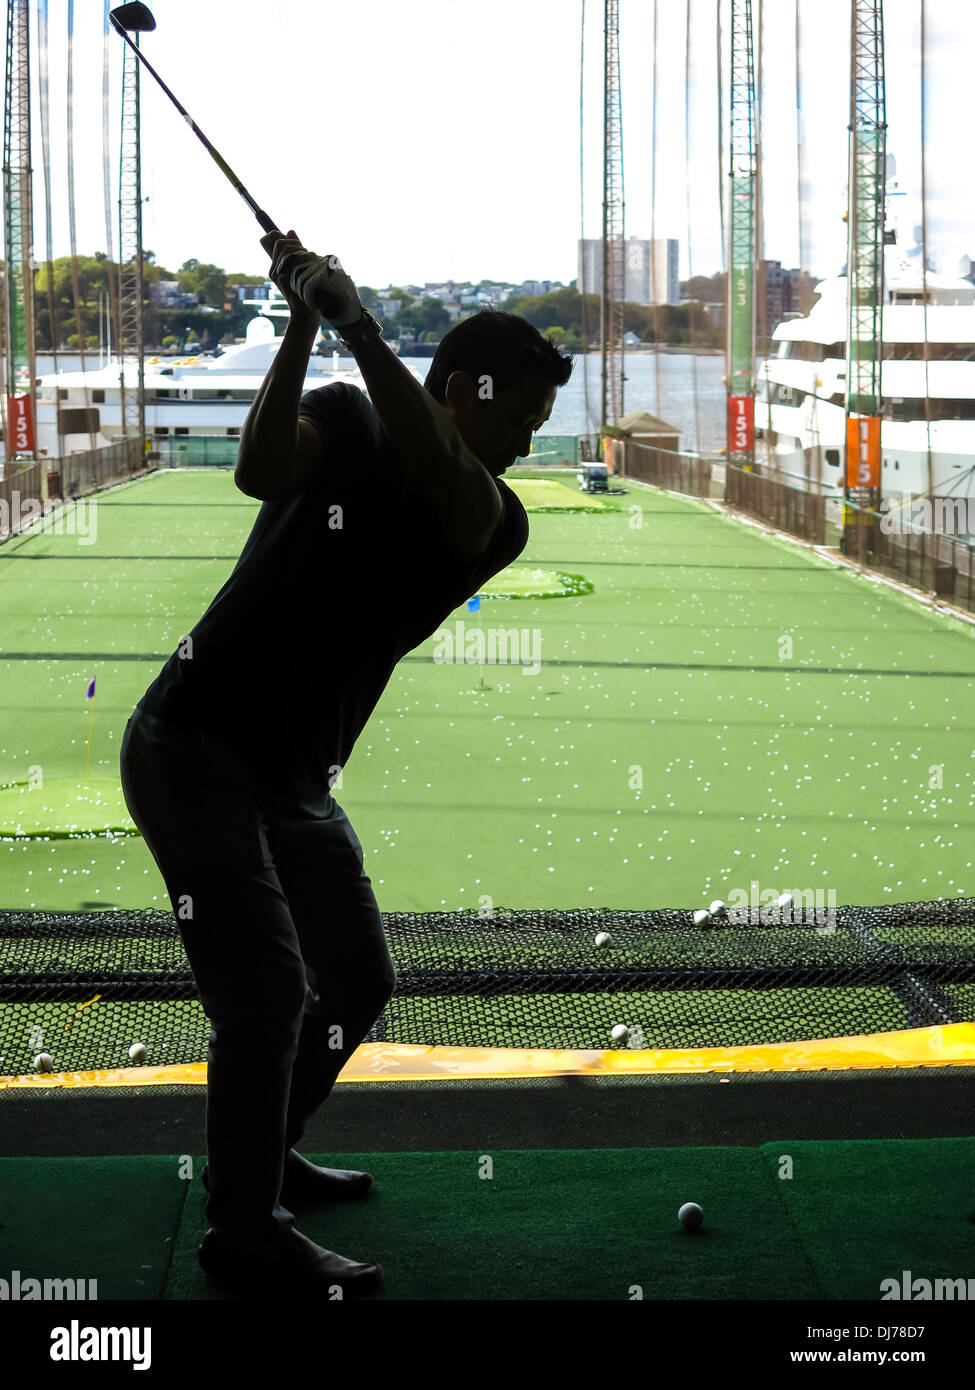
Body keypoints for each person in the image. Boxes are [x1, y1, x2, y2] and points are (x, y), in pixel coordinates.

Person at [119, 230, 573, 1298]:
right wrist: (306, 329)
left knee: (356, 976)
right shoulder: (351, 413)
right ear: (464, 388)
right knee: (270, 990)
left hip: (293, 779)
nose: (522, 446)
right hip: (193, 745)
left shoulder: (495, 519)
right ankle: (242, 1231)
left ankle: (266, 1150)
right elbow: (257, 469)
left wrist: (362, 324)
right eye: (516, 418)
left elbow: (456, 498)